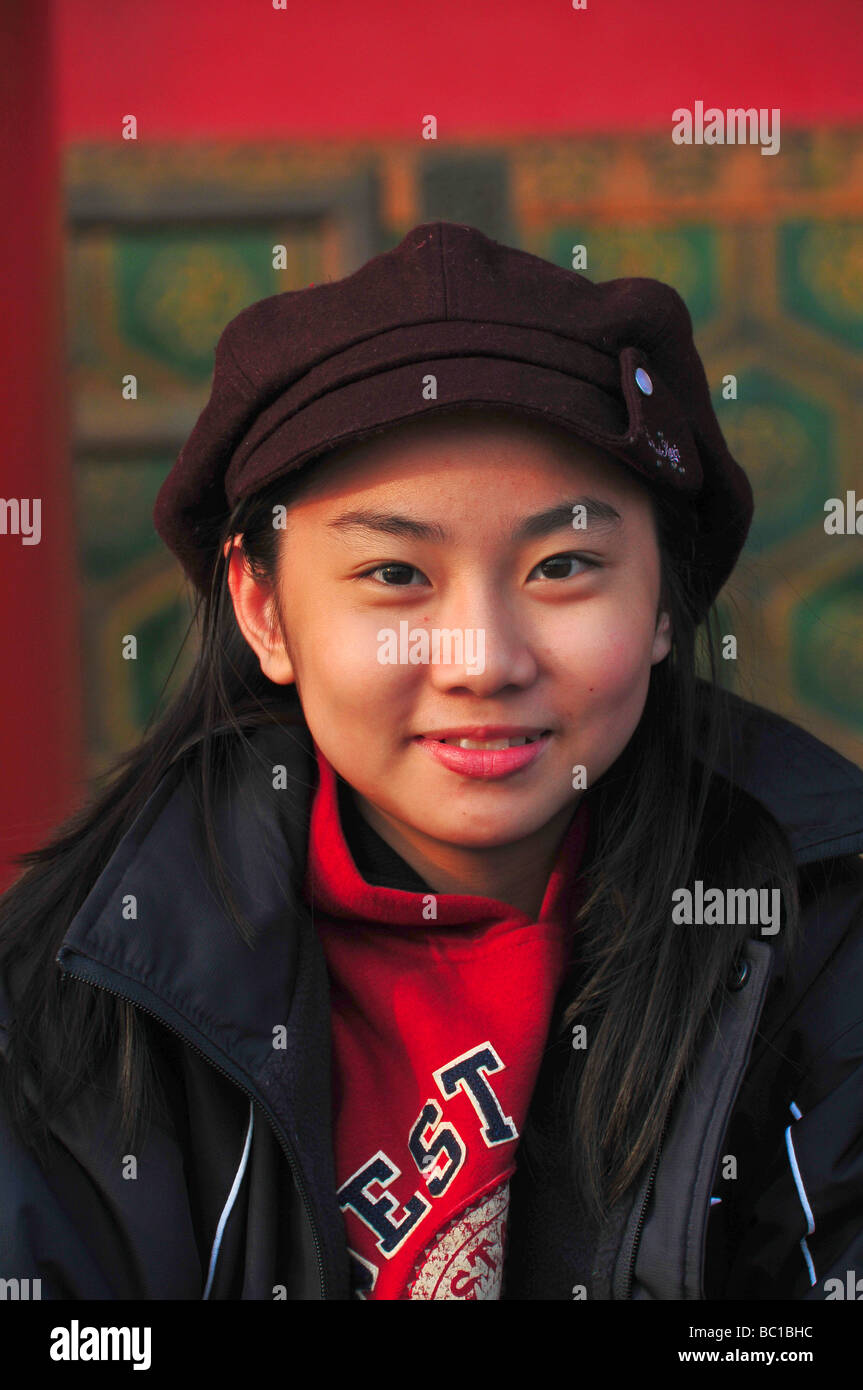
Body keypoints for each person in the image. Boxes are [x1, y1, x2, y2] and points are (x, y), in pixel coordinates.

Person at [1, 221, 861, 1301]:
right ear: (264, 609)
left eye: (561, 565)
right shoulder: (72, 1003)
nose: (481, 662)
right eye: (394, 572)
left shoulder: (823, 939)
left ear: (659, 600)